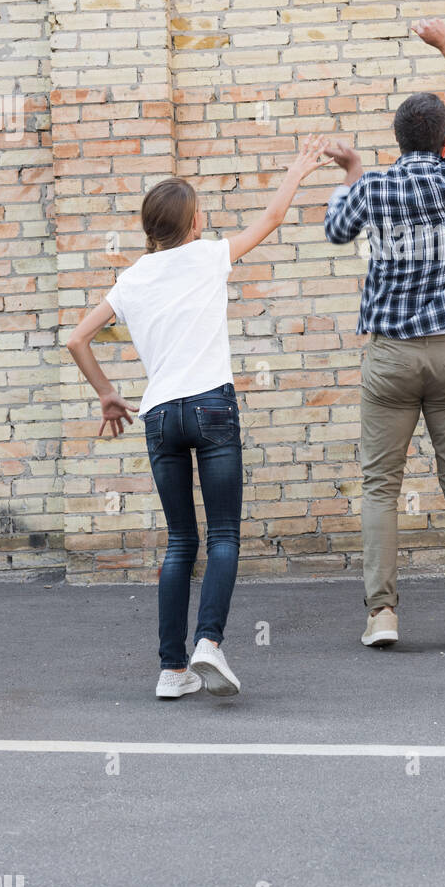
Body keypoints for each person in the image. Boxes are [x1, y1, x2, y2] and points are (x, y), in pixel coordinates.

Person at [67, 136, 327, 699]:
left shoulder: (132, 278)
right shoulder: (209, 254)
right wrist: (298, 168)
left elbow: (77, 338)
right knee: (225, 534)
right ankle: (209, 643)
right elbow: (274, 216)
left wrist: (109, 393)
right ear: (193, 223)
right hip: (211, 405)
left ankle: (171, 670)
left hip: (159, 415)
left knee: (180, 542)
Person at [324, 18, 445, 649]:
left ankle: (382, 615)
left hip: (390, 357)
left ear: (397, 140)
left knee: (380, 485)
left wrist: (351, 170)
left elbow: (338, 229)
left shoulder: (375, 185)